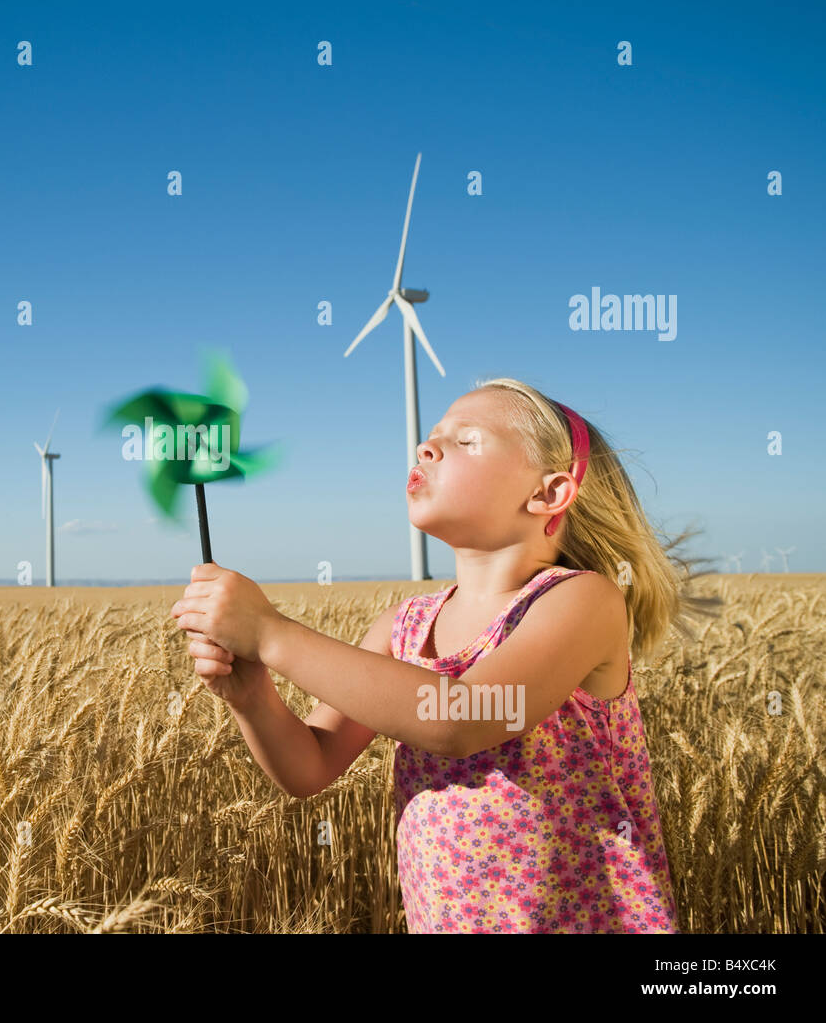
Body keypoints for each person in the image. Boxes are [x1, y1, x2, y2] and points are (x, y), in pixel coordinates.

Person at [171, 377, 720, 933]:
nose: (425, 447)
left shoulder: (580, 599)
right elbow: (310, 766)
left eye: (466, 440)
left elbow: (464, 717)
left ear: (549, 494)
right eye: (430, 436)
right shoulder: (404, 627)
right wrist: (253, 697)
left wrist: (270, 634)